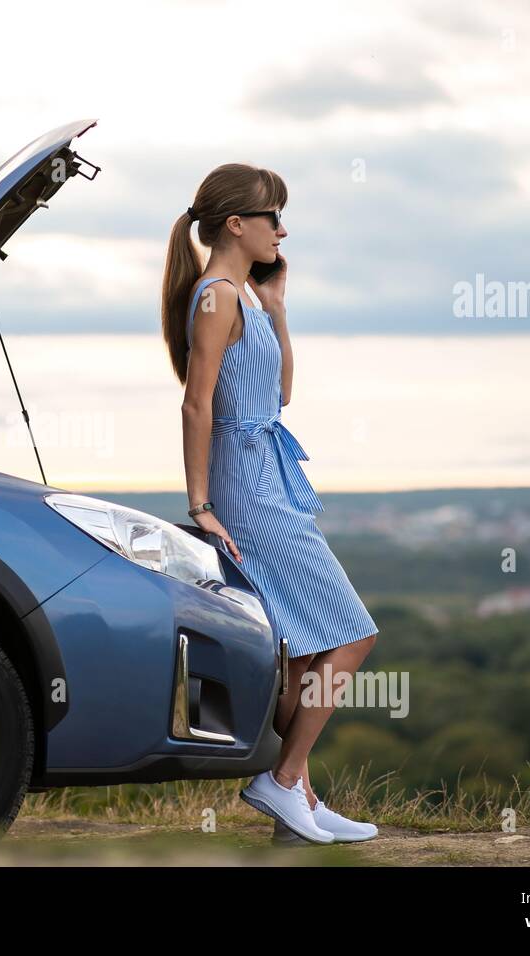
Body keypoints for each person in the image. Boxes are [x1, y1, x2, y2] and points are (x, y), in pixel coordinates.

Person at [160, 163, 380, 844]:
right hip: (245, 489)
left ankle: (301, 806)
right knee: (352, 634)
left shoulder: (247, 299)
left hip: (268, 473)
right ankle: (281, 782)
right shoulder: (215, 296)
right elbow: (197, 402)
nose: (282, 230)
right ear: (236, 224)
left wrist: (279, 310)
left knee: (295, 657)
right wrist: (200, 504)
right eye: (272, 217)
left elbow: (279, 394)